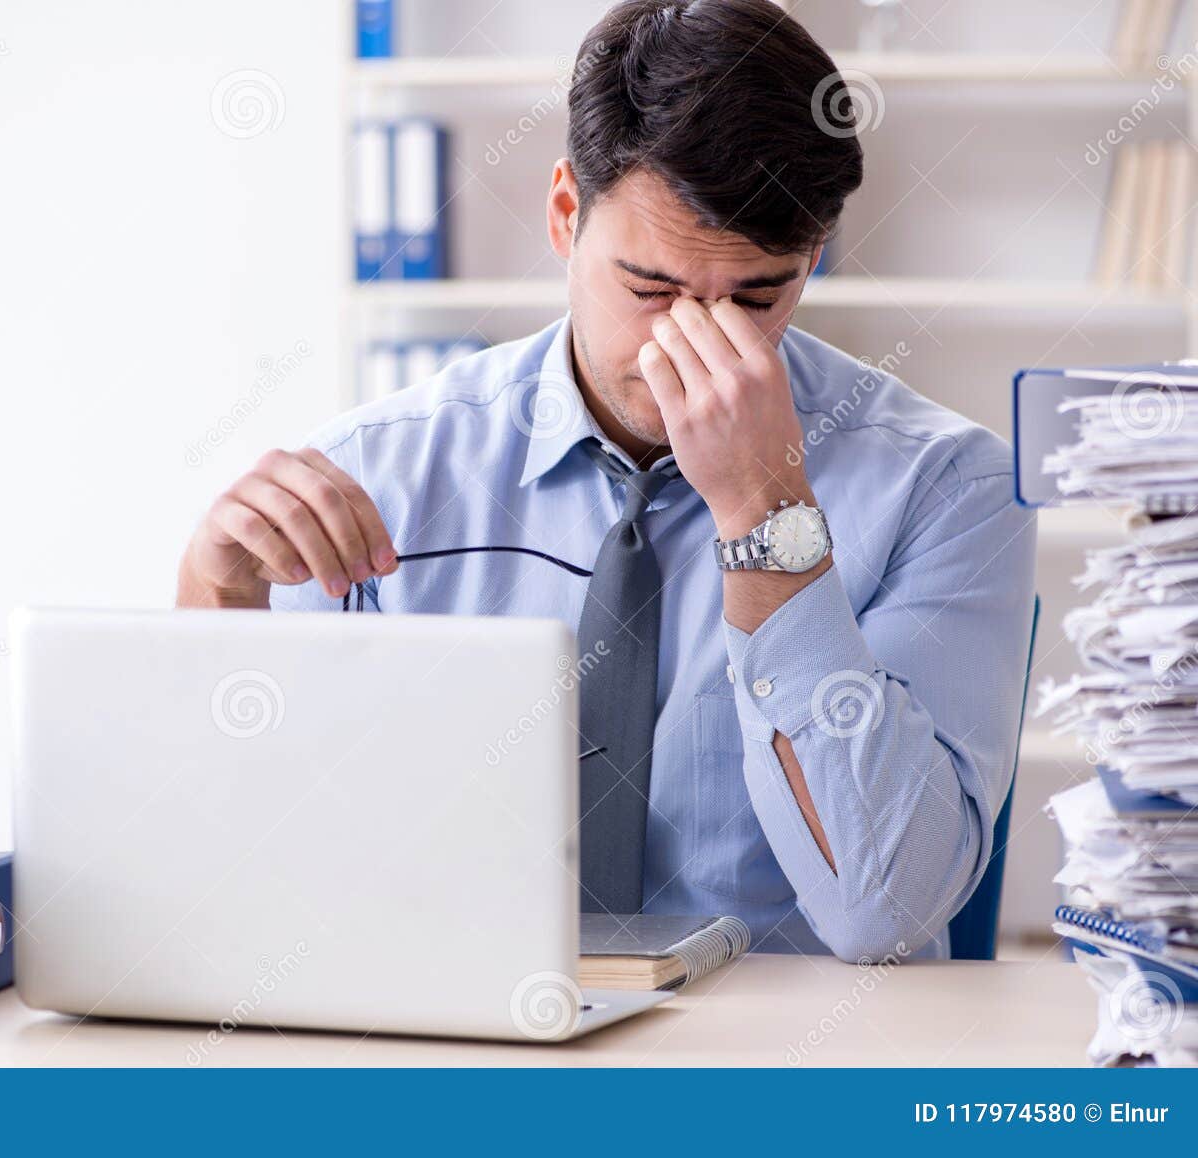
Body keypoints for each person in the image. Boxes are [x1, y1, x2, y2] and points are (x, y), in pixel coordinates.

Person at [176, 0, 1037, 961]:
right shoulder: (378, 475)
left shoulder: (951, 489)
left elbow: (889, 915)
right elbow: (239, 882)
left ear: (812, 261)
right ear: (562, 217)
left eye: (757, 297)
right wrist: (218, 607)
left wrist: (767, 515)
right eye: (651, 289)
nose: (694, 343)